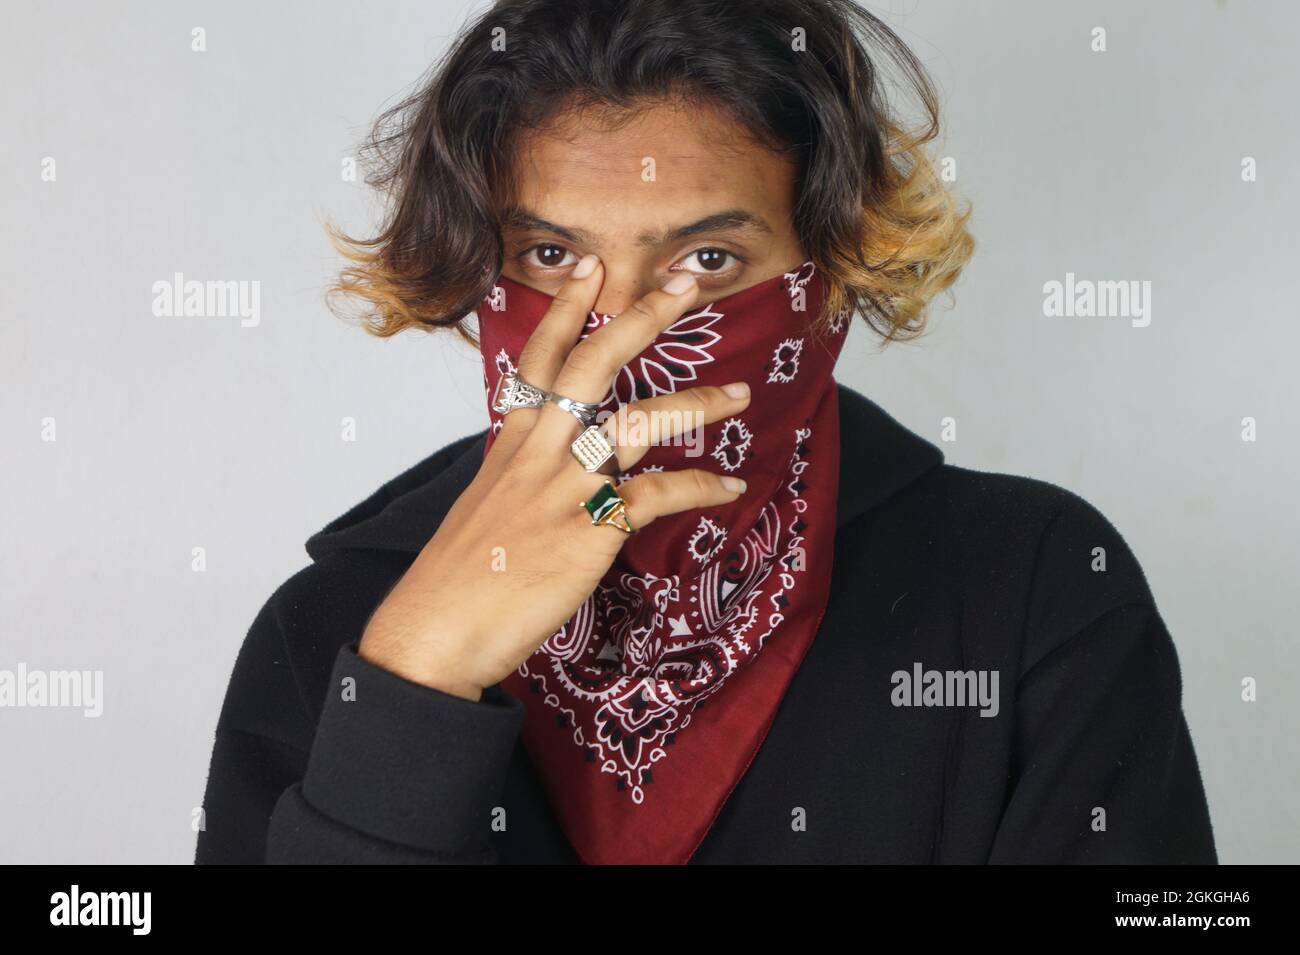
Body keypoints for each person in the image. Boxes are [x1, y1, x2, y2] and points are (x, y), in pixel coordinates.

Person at [196, 0, 1216, 864]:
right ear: (478, 271)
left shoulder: (1035, 593)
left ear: (833, 273)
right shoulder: (330, 628)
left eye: (710, 261)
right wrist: (414, 679)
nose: (626, 324)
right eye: (552, 252)